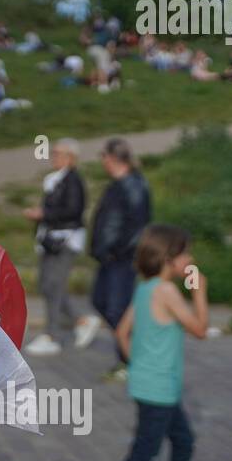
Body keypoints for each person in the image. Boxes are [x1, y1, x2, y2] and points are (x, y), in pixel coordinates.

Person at [89, 224, 224, 461]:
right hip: (159, 389)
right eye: (186, 253)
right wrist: (200, 290)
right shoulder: (167, 291)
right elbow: (201, 330)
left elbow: (122, 333)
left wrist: (138, 366)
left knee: (183, 440)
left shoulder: (145, 287)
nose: (190, 258)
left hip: (149, 385)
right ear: (170, 258)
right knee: (144, 452)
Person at [22, 139, 100, 356]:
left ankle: (52, 334)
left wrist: (44, 214)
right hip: (50, 238)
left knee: (55, 284)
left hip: (65, 239)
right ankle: (80, 320)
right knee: (47, 284)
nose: (52, 157)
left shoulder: (73, 180)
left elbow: (74, 210)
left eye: (57, 153)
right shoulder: (56, 180)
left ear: (70, 157)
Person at [89, 138, 152, 381]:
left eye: (103, 156)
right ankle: (130, 352)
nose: (102, 161)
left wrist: (118, 250)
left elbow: (139, 228)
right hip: (108, 257)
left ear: (113, 158)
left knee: (117, 308)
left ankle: (130, 359)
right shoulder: (116, 185)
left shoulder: (134, 185)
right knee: (100, 301)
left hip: (121, 259)